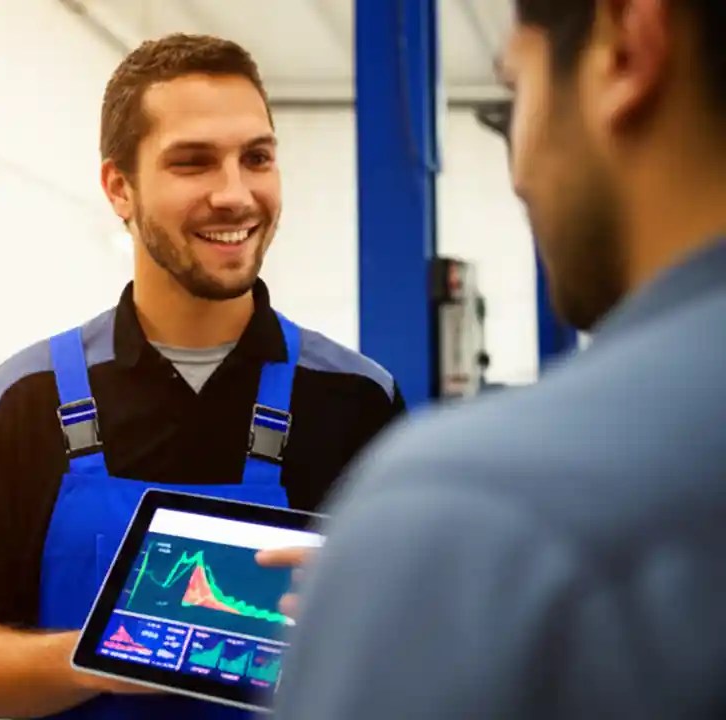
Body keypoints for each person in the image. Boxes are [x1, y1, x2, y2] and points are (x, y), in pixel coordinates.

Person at [0, 34, 407, 720]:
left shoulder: (357, 400)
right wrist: (107, 653)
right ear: (120, 187)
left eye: (257, 158)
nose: (235, 195)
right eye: (193, 163)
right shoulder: (26, 399)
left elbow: (417, 657)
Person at [273, 1, 726, 718]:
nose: (517, 171)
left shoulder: (472, 509)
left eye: (517, 90)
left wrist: (422, 567)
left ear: (626, 49)